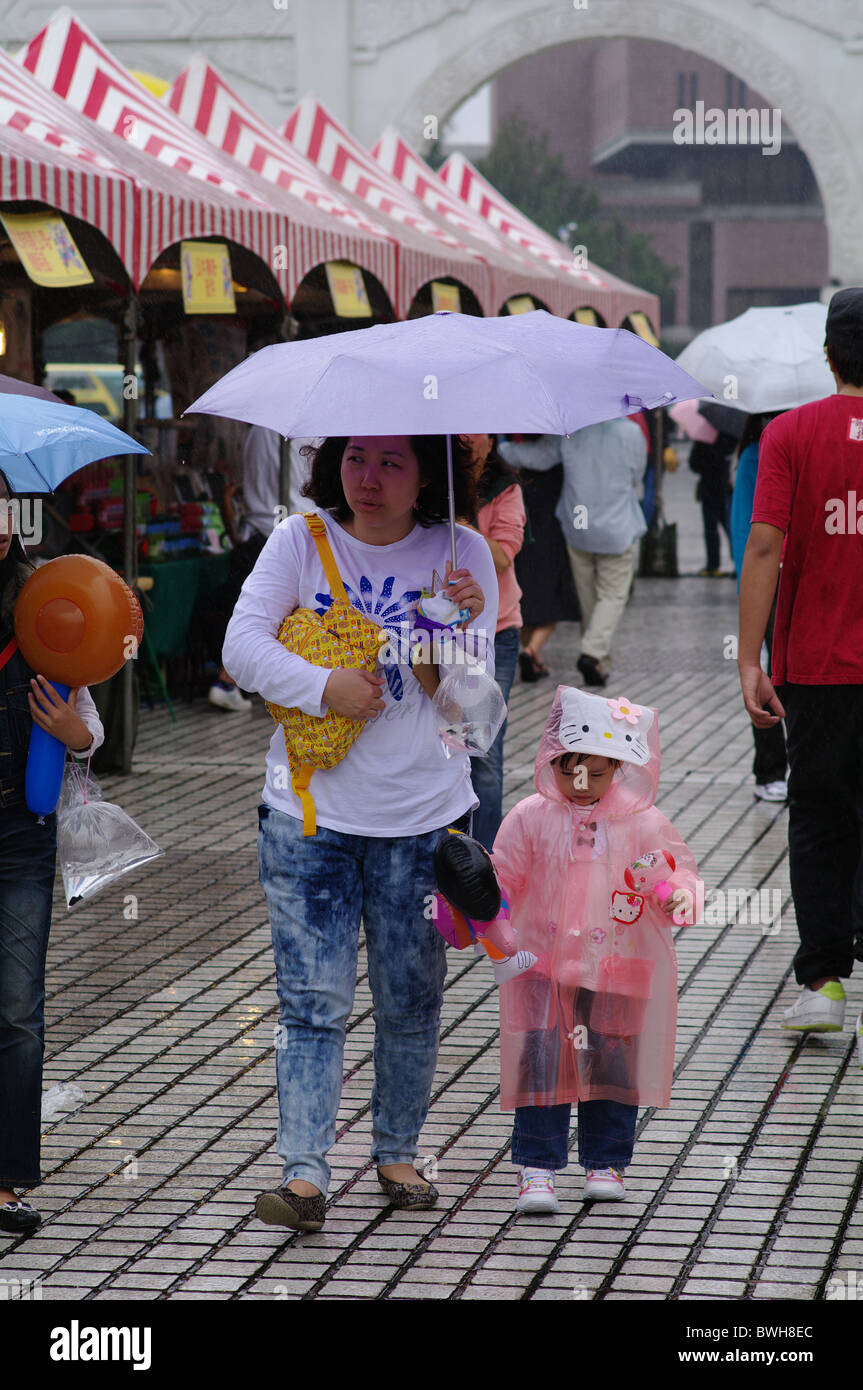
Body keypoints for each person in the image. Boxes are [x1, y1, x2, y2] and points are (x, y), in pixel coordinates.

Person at [222, 435, 498, 1231]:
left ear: (429, 474)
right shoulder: (298, 539)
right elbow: (240, 649)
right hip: (309, 817)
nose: (368, 480)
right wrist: (321, 687)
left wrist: (444, 643)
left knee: (410, 999)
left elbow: (476, 718)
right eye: (354, 459)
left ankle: (396, 1152)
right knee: (311, 1001)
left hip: (423, 820)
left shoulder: (463, 554)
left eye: (392, 463)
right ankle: (304, 1174)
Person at [491, 686, 700, 1211]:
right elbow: (502, 878)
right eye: (568, 772)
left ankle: (605, 1162)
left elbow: (675, 871)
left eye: (596, 774)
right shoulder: (530, 816)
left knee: (612, 1063)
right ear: (550, 762)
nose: (580, 785)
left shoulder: (641, 821)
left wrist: (679, 899)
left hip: (616, 968)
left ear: (619, 767)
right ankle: (537, 1167)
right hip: (544, 967)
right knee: (541, 1063)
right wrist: (482, 911)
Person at [738, 287, 863, 1050]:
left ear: (827, 354)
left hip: (814, 668)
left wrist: (748, 659)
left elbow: (761, 547)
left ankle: (823, 981)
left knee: (819, 818)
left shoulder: (789, 433)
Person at [0, 469, 104, 1234]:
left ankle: (4, 1182)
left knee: (16, 1010)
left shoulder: (42, 600)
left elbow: (88, 719)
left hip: (19, 838)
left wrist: (76, 735)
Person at [504, 421, 647, 688]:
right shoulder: (632, 433)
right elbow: (637, 476)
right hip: (618, 526)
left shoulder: (573, 431)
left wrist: (500, 449)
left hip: (578, 527)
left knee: (588, 598)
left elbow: (541, 457)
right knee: (613, 595)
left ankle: (597, 660)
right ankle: (592, 653)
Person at [206, 430, 318, 712]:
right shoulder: (304, 430)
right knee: (278, 619)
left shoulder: (258, 429)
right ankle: (227, 680)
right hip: (288, 528)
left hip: (258, 528)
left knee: (261, 616)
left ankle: (228, 681)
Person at [459, 434, 525, 850]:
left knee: (482, 750)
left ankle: (480, 861)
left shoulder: (505, 488)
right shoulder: (428, 484)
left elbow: (503, 555)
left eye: (477, 429)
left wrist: (462, 528)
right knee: (442, 748)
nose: (467, 435)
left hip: (495, 632)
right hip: (441, 636)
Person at [729, 412, 788, 802]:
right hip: (773, 578)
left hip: (792, 576)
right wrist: (750, 586)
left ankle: (779, 770)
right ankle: (770, 770)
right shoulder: (757, 454)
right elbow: (747, 533)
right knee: (765, 672)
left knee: (781, 672)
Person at [497, 436, 579, 683]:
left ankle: (533, 654)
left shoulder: (505, 456)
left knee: (526, 599)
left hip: (521, 533)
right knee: (552, 600)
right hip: (550, 531)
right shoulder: (559, 451)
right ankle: (532, 650)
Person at [690, 432, 736, 576]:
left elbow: (694, 464)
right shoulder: (730, 437)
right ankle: (738, 562)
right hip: (725, 487)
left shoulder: (703, 436)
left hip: (709, 487)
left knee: (711, 528)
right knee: (731, 527)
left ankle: (713, 565)